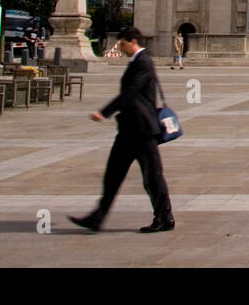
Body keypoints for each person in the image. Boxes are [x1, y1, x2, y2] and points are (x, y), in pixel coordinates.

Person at [69, 27, 175, 233]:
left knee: (153, 177)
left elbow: (130, 93)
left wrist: (105, 112)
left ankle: (165, 218)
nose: (120, 46)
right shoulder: (137, 62)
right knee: (113, 176)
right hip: (129, 130)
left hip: (143, 131)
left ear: (132, 41)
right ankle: (97, 218)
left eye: (122, 43)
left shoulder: (143, 62)